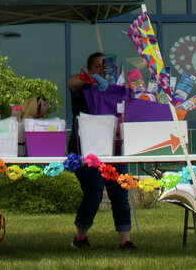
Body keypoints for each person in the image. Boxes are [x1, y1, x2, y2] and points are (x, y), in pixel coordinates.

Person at [66, 51, 135, 251]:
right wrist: (91, 80)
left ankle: (125, 240)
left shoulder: (115, 89)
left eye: (105, 66)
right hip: (86, 149)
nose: (102, 70)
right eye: (98, 66)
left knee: (120, 193)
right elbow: (71, 82)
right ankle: (80, 237)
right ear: (90, 69)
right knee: (94, 192)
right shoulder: (84, 87)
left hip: (114, 148)